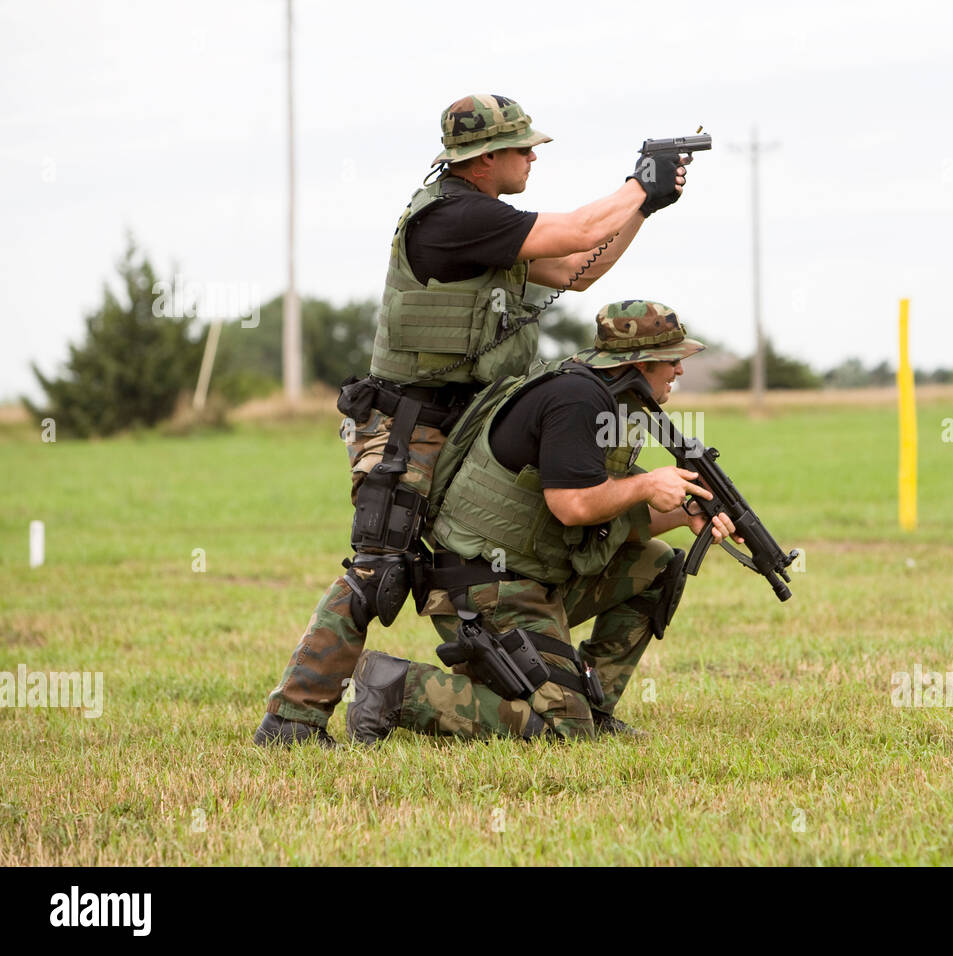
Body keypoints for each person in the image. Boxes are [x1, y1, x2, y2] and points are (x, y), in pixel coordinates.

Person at [254, 95, 688, 747]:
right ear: (484, 161)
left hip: (464, 423)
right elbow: (572, 232)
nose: (533, 156)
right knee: (381, 568)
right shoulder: (453, 217)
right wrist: (635, 185)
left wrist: (644, 209)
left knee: (489, 550)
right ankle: (292, 717)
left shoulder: (485, 225)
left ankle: (561, 692)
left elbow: (576, 270)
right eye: (523, 148)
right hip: (406, 425)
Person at [344, 300, 741, 743]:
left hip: (533, 578)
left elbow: (607, 512)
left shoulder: (602, 397)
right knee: (561, 731)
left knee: (657, 563)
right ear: (641, 362)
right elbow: (572, 506)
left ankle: (591, 703)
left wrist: (686, 513)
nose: (680, 371)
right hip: (488, 590)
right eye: (673, 360)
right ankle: (397, 687)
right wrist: (647, 485)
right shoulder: (577, 399)